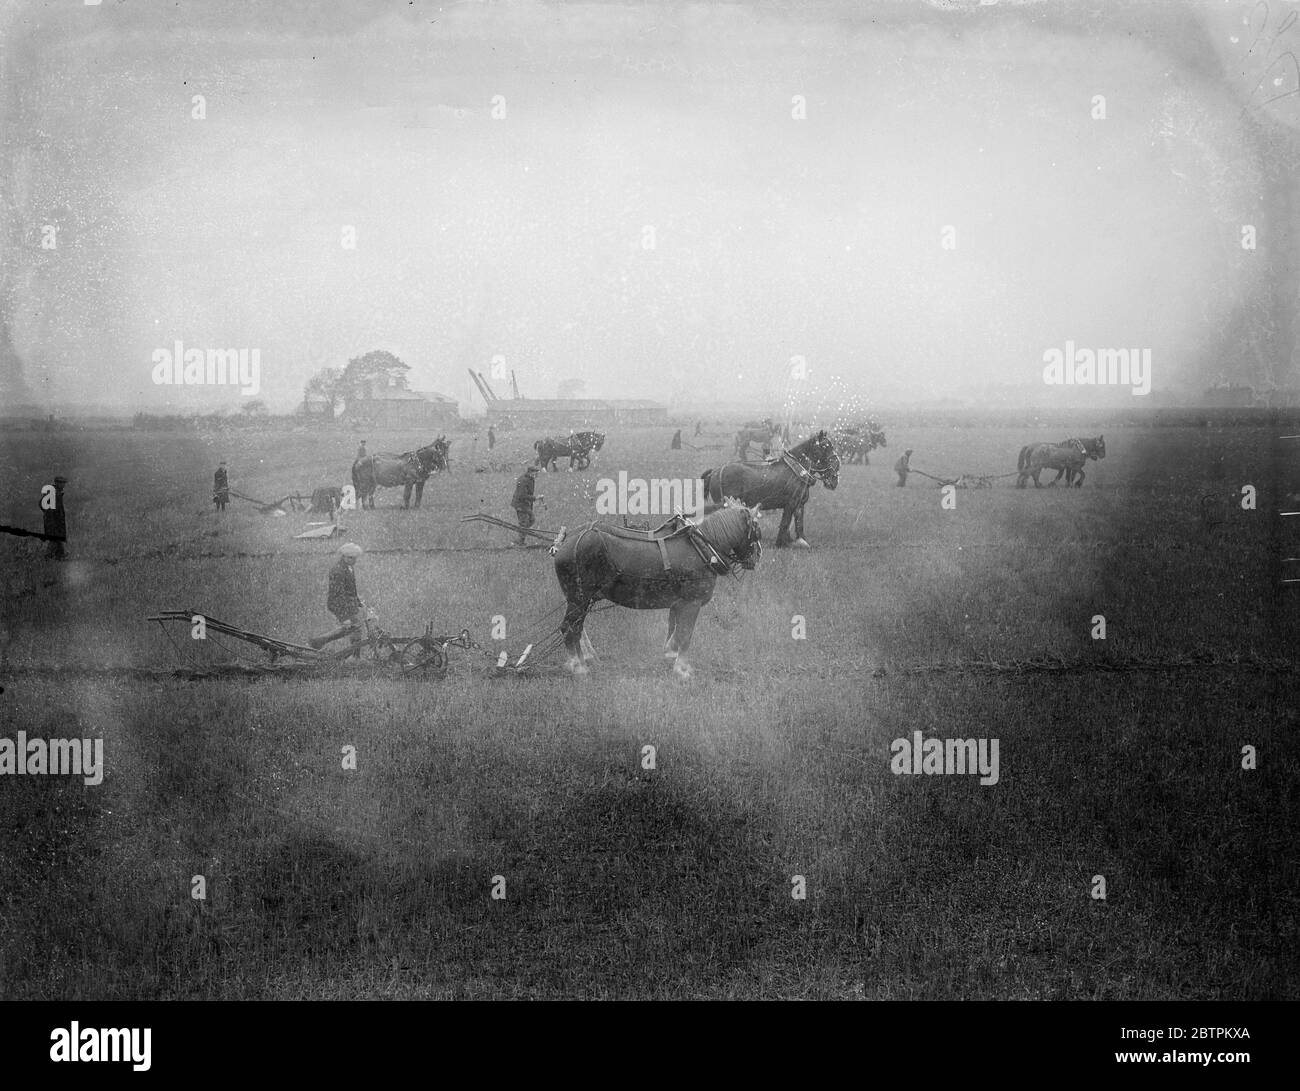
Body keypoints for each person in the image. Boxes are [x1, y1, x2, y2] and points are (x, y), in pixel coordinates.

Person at [309, 543, 368, 653]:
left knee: (354, 628)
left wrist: (358, 602)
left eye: (355, 558)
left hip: (348, 603)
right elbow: (338, 595)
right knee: (353, 627)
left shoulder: (349, 567)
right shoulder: (338, 571)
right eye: (350, 558)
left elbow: (351, 590)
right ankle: (354, 656)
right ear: (344, 556)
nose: (353, 560)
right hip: (338, 604)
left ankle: (319, 641)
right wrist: (344, 616)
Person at [511, 464, 543, 545]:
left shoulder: (530, 478)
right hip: (520, 504)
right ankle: (520, 541)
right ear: (530, 472)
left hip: (525, 504)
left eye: (537, 473)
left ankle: (521, 534)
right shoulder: (523, 481)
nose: (537, 475)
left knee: (531, 520)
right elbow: (522, 495)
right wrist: (535, 498)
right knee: (524, 522)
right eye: (535, 473)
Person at [43, 476, 68, 560]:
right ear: (56, 483)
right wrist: (51, 518)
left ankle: (60, 556)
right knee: (54, 539)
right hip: (54, 521)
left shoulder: (54, 492)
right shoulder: (55, 493)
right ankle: (48, 557)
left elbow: (42, 504)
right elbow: (52, 510)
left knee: (57, 539)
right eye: (61, 483)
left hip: (54, 520)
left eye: (64, 483)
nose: (63, 485)